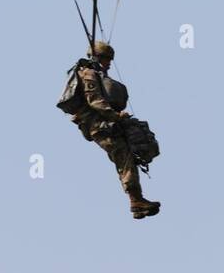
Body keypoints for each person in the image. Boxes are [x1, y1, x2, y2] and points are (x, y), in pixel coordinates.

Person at [66, 40, 160, 220]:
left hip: (106, 126)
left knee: (128, 158)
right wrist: (116, 116)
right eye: (107, 59)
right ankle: (136, 201)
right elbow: (95, 101)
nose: (109, 63)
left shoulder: (97, 74)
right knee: (124, 159)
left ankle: (137, 203)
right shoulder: (89, 74)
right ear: (98, 57)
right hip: (101, 127)